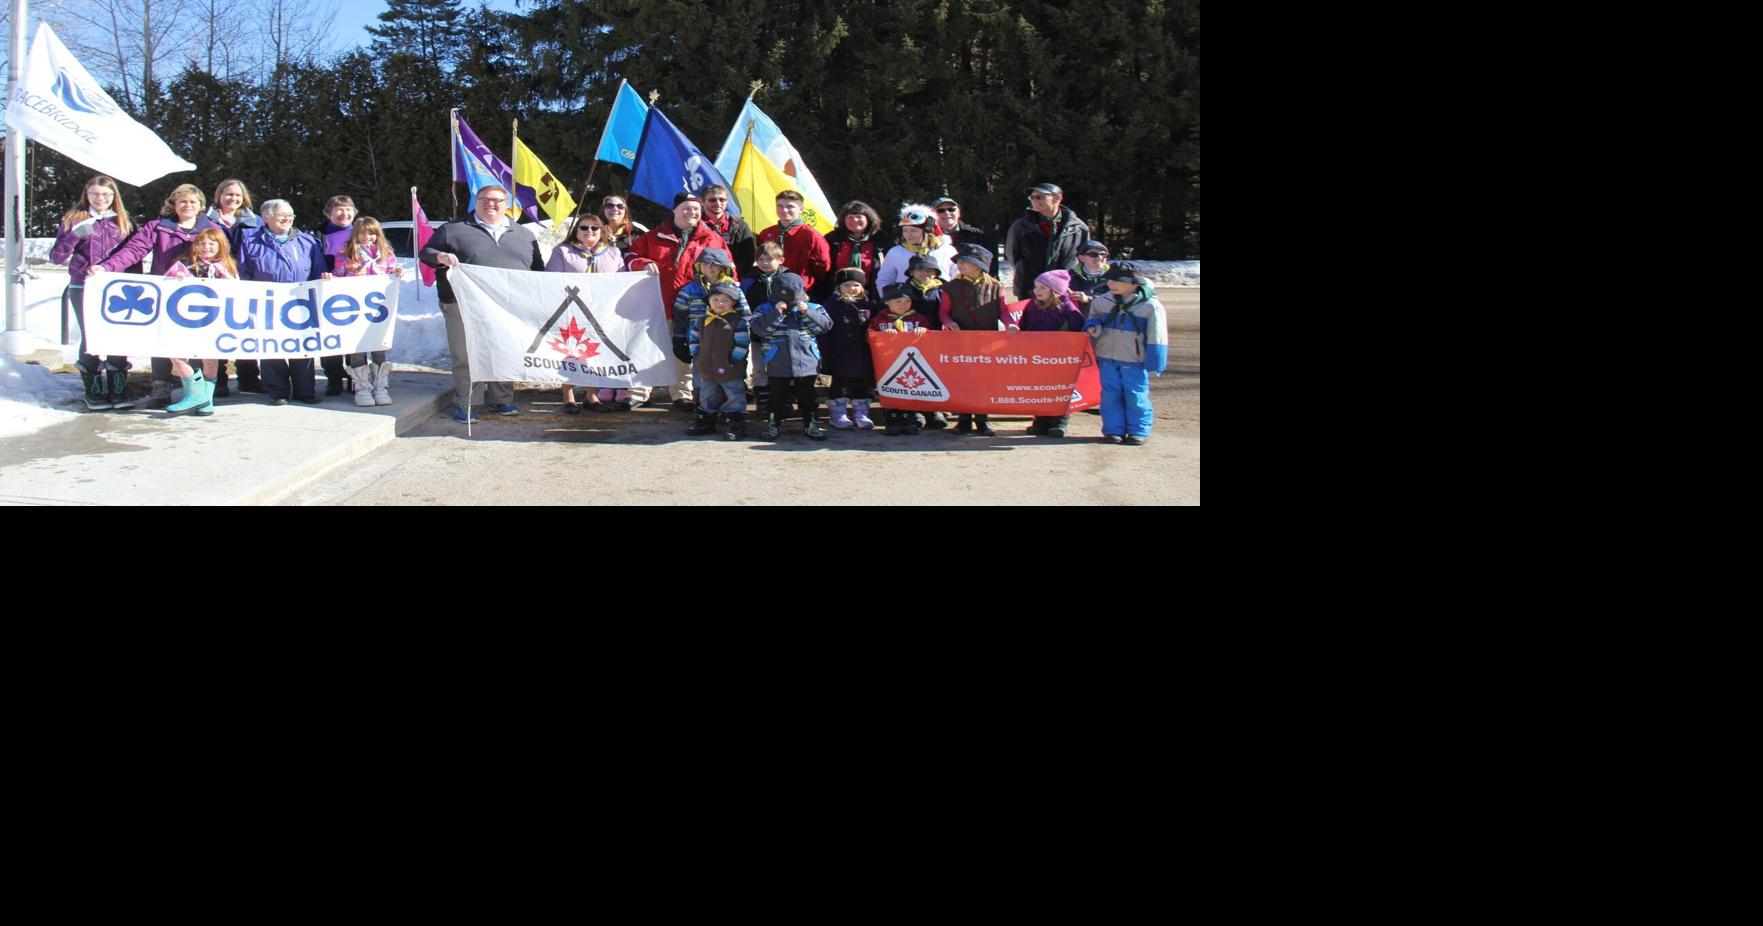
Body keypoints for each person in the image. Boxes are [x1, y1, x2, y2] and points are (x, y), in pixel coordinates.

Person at [86, 183, 221, 409]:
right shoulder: (158, 227)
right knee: (164, 340)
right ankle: (162, 386)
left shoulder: (212, 228)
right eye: (182, 201)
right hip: (167, 292)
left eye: (193, 202)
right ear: (174, 204)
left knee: (201, 344)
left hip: (202, 295)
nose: (187, 205)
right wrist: (107, 267)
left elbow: (225, 255)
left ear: (200, 205)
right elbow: (134, 250)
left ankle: (200, 393)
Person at [421, 184, 547, 422]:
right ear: (476, 202)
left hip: (507, 307)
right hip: (460, 304)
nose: (491, 204)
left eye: (497, 200)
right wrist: (441, 256)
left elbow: (537, 270)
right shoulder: (453, 229)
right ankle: (467, 402)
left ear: (506, 204)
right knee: (466, 354)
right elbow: (426, 253)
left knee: (504, 351)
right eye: (485, 199)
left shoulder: (523, 234)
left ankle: (502, 399)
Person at [625, 193, 728, 410]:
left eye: (696, 209)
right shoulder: (654, 236)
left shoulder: (711, 238)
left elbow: (728, 270)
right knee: (646, 349)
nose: (691, 212)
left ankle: (681, 393)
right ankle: (639, 392)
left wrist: (723, 297)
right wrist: (642, 263)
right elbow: (630, 257)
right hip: (656, 304)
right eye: (686, 208)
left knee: (684, 352)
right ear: (675, 211)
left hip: (693, 308)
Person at [50, 175, 137, 410]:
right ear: (86, 195)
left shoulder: (124, 220)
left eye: (106, 194)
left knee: (117, 335)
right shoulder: (74, 219)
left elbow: (134, 254)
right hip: (84, 286)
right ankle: (94, 390)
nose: (101, 199)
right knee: (91, 336)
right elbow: (56, 257)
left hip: (116, 287)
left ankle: (118, 389)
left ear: (114, 196)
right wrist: (75, 234)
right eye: (95, 194)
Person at [236, 199, 327, 405]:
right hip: (266, 303)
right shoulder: (251, 241)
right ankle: (278, 392)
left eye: (290, 215)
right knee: (271, 347)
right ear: (266, 217)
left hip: (300, 303)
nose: (287, 218)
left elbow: (318, 271)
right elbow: (244, 272)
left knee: (302, 346)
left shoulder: (308, 241)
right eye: (281, 215)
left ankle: (305, 391)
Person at [545, 214, 629, 413]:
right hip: (572, 309)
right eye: (584, 227)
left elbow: (622, 279)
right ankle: (569, 397)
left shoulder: (613, 252)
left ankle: (592, 395)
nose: (589, 231)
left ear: (602, 231)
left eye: (594, 228)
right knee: (570, 352)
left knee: (595, 352)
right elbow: (552, 278)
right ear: (576, 230)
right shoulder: (563, 251)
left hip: (602, 310)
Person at [937, 242, 1017, 437]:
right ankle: (963, 420)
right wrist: (949, 323)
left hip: (986, 342)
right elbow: (944, 311)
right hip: (960, 341)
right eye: (959, 261)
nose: (960, 264)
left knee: (983, 381)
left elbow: (1003, 311)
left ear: (979, 265)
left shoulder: (995, 286)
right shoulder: (950, 287)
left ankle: (983, 420)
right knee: (961, 380)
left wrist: (1010, 324)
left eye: (965, 262)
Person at [158, 228, 239, 417]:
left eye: (211, 243)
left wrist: (226, 277)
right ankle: (194, 394)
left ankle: (206, 399)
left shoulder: (227, 266)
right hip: (186, 319)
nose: (206, 247)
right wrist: (176, 279)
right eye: (202, 243)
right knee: (177, 354)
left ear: (220, 245)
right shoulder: (185, 264)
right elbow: (167, 284)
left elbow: (238, 290)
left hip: (215, 320)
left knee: (209, 358)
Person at [1085, 262, 1168, 446]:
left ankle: (1138, 431)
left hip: (1134, 359)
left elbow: (1158, 334)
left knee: (1135, 395)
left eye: (1117, 281)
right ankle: (1113, 430)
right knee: (1109, 395)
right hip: (1106, 357)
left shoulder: (1150, 306)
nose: (1111, 284)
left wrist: (1156, 359)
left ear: (1134, 283)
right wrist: (1093, 326)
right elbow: (1093, 318)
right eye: (1110, 280)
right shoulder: (1101, 302)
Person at [749, 275, 831, 441]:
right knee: (777, 395)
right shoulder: (764, 309)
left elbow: (825, 326)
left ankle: (810, 423)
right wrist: (776, 313)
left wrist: (807, 312)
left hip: (806, 360)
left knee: (807, 395)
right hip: (777, 360)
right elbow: (760, 330)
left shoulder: (814, 307)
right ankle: (774, 423)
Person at [335, 217, 405, 407]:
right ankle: (362, 387)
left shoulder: (386, 252)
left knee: (378, 347)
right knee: (357, 349)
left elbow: (391, 270)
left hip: (378, 310)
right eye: (363, 233)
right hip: (354, 310)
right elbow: (338, 275)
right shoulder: (346, 253)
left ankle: (381, 386)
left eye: (372, 233)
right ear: (356, 234)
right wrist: (330, 278)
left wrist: (397, 273)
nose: (367, 237)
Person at [206, 179, 263, 396]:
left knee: (245, 328)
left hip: (245, 280)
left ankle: (249, 379)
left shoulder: (255, 221)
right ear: (219, 195)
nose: (233, 198)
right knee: (215, 329)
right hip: (216, 281)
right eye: (228, 194)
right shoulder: (206, 219)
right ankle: (217, 380)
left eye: (238, 195)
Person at [1019, 270, 1088, 439]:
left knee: (1059, 389)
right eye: (1036, 287)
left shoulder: (1068, 308)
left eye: (1042, 287)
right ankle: (1040, 420)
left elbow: (1079, 331)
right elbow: (1023, 325)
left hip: (1060, 357)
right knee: (1039, 388)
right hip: (1036, 355)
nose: (1037, 291)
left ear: (1055, 290)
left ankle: (1059, 421)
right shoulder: (1032, 306)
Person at [741, 241, 805, 422]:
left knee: (784, 367)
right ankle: (763, 403)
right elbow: (744, 304)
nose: (764, 263)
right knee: (760, 367)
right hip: (759, 333)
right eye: (760, 259)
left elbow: (801, 298)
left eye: (769, 259)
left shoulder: (790, 278)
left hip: (785, 333)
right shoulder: (749, 281)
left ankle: (784, 402)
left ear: (780, 260)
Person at [683, 282, 753, 440]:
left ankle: (736, 424)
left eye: (725, 300)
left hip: (729, 369)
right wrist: (697, 355)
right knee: (707, 395)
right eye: (715, 300)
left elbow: (742, 344)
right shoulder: (701, 321)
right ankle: (706, 421)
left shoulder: (737, 322)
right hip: (707, 369)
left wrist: (733, 361)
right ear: (709, 301)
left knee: (734, 395)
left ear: (733, 303)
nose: (720, 303)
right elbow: (694, 340)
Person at [1004, 182, 1091, 299]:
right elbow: (1013, 255)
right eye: (1032, 197)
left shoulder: (1078, 227)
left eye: (1039, 197)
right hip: (1031, 289)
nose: (1034, 200)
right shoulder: (1021, 226)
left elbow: (1084, 258)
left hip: (1064, 289)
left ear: (1057, 198)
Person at [870, 282, 935, 436]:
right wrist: (882, 336)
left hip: (912, 365)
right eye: (898, 301)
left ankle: (909, 419)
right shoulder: (880, 319)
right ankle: (892, 420)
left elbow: (931, 338)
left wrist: (924, 331)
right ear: (887, 302)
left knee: (910, 389)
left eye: (907, 301)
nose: (903, 305)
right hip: (888, 364)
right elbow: (869, 336)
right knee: (891, 389)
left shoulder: (918, 318)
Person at [821, 268, 879, 430]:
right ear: (839, 287)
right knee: (840, 383)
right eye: (846, 285)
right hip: (840, 351)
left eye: (856, 285)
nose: (852, 288)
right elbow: (824, 330)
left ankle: (861, 413)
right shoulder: (830, 305)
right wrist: (825, 352)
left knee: (863, 383)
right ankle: (838, 413)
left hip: (863, 352)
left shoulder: (869, 305)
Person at [314, 195, 359, 397]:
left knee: (353, 338)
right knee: (330, 338)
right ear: (328, 213)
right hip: (327, 293)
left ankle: (355, 378)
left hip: (355, 293)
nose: (344, 213)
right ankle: (333, 378)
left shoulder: (360, 232)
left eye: (348, 209)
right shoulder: (318, 235)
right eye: (339, 209)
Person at [756, 190, 831, 295]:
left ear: (801, 209)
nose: (784, 210)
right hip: (768, 288)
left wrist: (805, 282)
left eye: (790, 207)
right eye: (780, 206)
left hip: (800, 290)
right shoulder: (766, 233)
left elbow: (823, 266)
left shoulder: (812, 235)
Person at [875, 203, 956, 294]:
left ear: (927, 231)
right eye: (905, 230)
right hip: (906, 301)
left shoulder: (946, 250)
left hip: (941, 300)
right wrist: (891, 300)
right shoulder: (896, 252)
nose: (909, 234)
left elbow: (956, 278)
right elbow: (884, 280)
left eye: (913, 230)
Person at [817, 200, 885, 302]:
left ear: (868, 219)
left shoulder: (881, 241)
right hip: (836, 295)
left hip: (871, 296)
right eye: (850, 217)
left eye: (859, 216)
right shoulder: (832, 239)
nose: (854, 220)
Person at [698, 184, 755, 275]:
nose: (718, 203)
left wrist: (730, 275)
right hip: (701, 277)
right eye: (712, 200)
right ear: (702, 201)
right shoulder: (695, 224)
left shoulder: (740, 225)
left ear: (727, 201)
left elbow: (748, 256)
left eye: (722, 199)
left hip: (732, 277)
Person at [931, 196, 997, 262]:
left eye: (951, 209)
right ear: (933, 215)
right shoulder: (928, 237)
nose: (947, 213)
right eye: (940, 210)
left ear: (958, 212)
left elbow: (989, 261)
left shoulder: (976, 235)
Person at [1070, 240, 1113, 310]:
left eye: (1103, 254)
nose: (1100, 257)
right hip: (1076, 315)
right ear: (1081, 258)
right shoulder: (1069, 277)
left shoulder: (1114, 277)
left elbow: (1115, 300)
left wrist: (1089, 299)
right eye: (1093, 254)